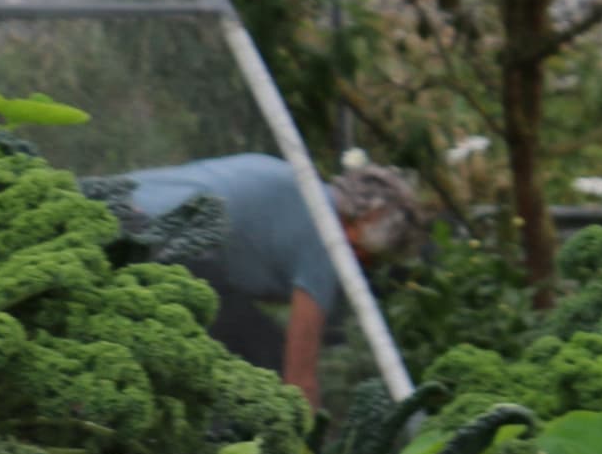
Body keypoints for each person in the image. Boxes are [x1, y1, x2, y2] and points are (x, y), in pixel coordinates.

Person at [116, 155, 419, 408]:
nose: (361, 266)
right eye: (369, 256)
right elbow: (299, 377)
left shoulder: (300, 186)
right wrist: (305, 450)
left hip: (119, 202)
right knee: (261, 365)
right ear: (368, 218)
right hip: (152, 235)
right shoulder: (327, 238)